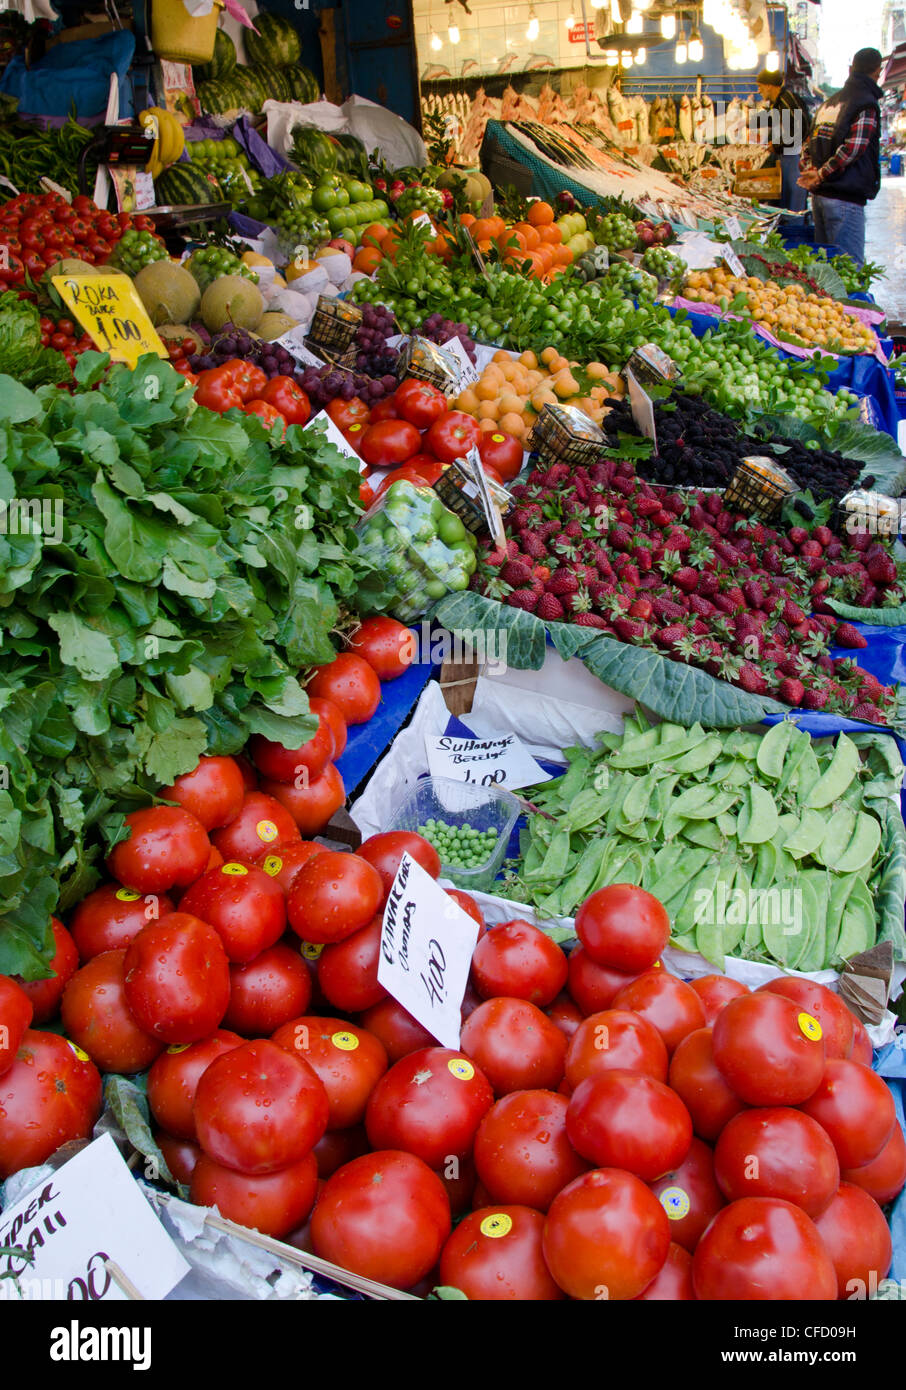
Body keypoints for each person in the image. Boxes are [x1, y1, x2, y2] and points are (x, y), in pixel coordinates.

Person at [797, 48, 884, 265]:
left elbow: (807, 145)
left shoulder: (828, 103)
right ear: (878, 72)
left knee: (826, 270)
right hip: (845, 199)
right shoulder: (865, 103)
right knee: (849, 269)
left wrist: (812, 172)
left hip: (821, 199)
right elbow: (853, 149)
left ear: (850, 69)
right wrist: (821, 174)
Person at [755, 69, 811, 212]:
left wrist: (777, 145)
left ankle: (794, 231)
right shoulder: (779, 102)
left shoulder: (787, 100)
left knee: (794, 204)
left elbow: (800, 130)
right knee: (785, 202)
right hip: (786, 156)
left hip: (794, 158)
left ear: (769, 86)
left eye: (760, 86)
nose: (758, 90)